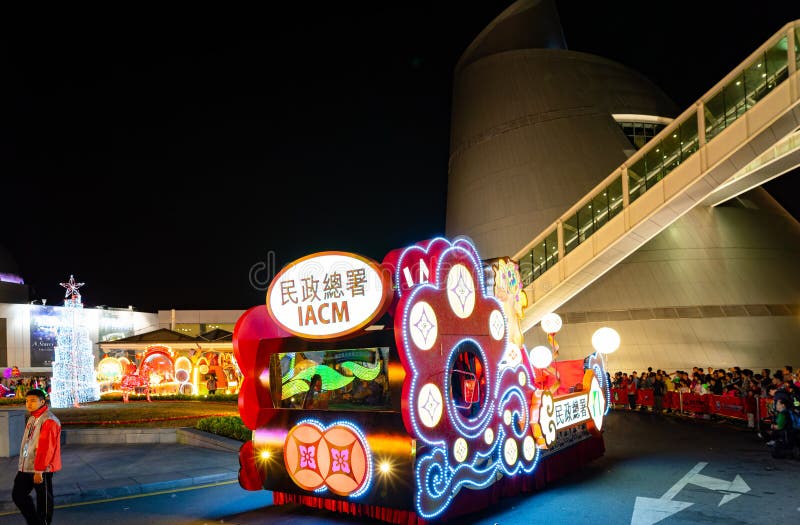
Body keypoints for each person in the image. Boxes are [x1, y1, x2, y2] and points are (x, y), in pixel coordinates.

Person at [12, 388, 61, 525]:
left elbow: (46, 448)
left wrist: (39, 470)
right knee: (18, 495)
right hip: (26, 466)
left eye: (33, 401)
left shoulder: (48, 420)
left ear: (42, 401)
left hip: (41, 468)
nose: (29, 404)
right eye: (27, 401)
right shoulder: (33, 417)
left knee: (43, 501)